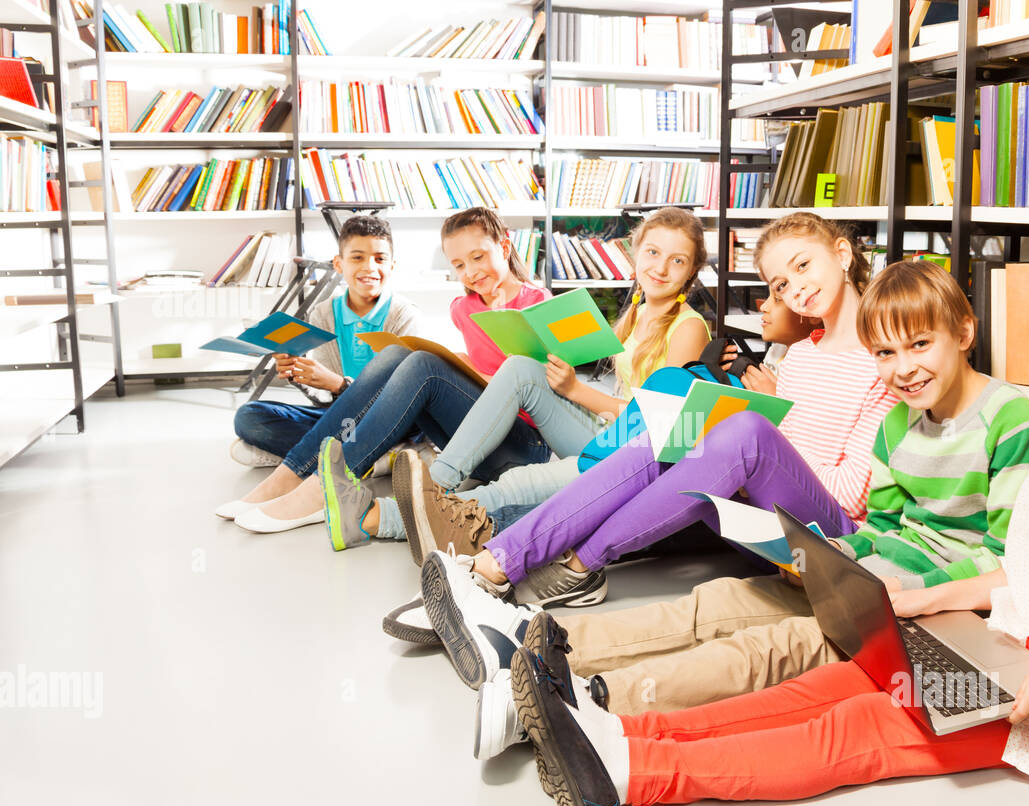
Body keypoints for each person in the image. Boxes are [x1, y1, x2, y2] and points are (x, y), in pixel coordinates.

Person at [508, 254, 1029, 806]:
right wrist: (926, 601)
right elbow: (1023, 571)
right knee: (818, 689)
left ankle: (631, 775)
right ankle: (618, 731)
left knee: (849, 734)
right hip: (1000, 653)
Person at [471, 258, 1029, 759]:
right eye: (886, 353)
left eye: (920, 345)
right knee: (719, 599)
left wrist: (908, 588)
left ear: (965, 332)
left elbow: (1006, 562)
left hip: (939, 601)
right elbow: (881, 525)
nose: (903, 369)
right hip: (875, 575)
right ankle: (536, 638)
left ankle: (578, 698)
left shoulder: (1011, 421)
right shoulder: (897, 417)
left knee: (765, 648)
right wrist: (830, 557)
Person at [418, 212, 897, 691]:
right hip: (765, 528)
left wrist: (760, 448)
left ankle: (577, 565)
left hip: (832, 546)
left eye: (803, 266)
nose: (795, 289)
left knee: (745, 430)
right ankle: (496, 565)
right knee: (671, 429)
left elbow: (855, 495)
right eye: (780, 281)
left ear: (842, 253)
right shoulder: (803, 354)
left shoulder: (885, 357)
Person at [360, 206, 713, 564]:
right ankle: (437, 483)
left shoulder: (688, 327)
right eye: (653, 252)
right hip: (614, 435)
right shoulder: (638, 311)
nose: (661, 268)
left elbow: (659, 426)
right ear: (635, 253)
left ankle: (390, 515)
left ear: (692, 271)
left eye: (678, 260)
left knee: (514, 486)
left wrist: (574, 390)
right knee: (520, 367)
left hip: (636, 454)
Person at [223, 207, 551, 535]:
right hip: (470, 450)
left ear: (505, 247)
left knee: (422, 363)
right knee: (398, 352)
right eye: (459, 265)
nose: (471, 272)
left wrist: (465, 368)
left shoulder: (538, 303)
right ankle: (291, 474)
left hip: (523, 448)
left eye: (478, 257)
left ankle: (324, 485)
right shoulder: (463, 308)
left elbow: (544, 394)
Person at [218, 215, 424, 484]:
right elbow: (326, 403)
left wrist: (338, 384)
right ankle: (368, 459)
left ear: (392, 265)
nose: (370, 267)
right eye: (357, 258)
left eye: (380, 259)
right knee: (249, 417)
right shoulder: (324, 312)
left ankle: (304, 456)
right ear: (339, 264)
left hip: (390, 420)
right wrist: (300, 376)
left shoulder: (404, 315)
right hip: (343, 419)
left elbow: (401, 400)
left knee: (419, 428)